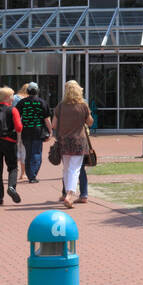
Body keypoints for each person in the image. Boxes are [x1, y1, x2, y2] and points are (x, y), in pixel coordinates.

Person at [52, 80, 92, 209]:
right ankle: (70, 195)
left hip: (64, 141)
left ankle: (66, 194)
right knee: (75, 169)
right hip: (79, 141)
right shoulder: (83, 106)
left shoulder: (61, 106)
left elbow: (53, 125)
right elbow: (90, 122)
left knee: (67, 168)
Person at [16, 82, 50, 183]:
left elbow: (16, 115)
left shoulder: (22, 102)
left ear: (27, 91)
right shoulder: (42, 102)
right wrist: (50, 131)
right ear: (37, 91)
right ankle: (33, 175)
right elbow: (47, 118)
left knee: (28, 153)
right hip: (38, 131)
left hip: (25, 131)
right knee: (36, 152)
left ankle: (30, 174)